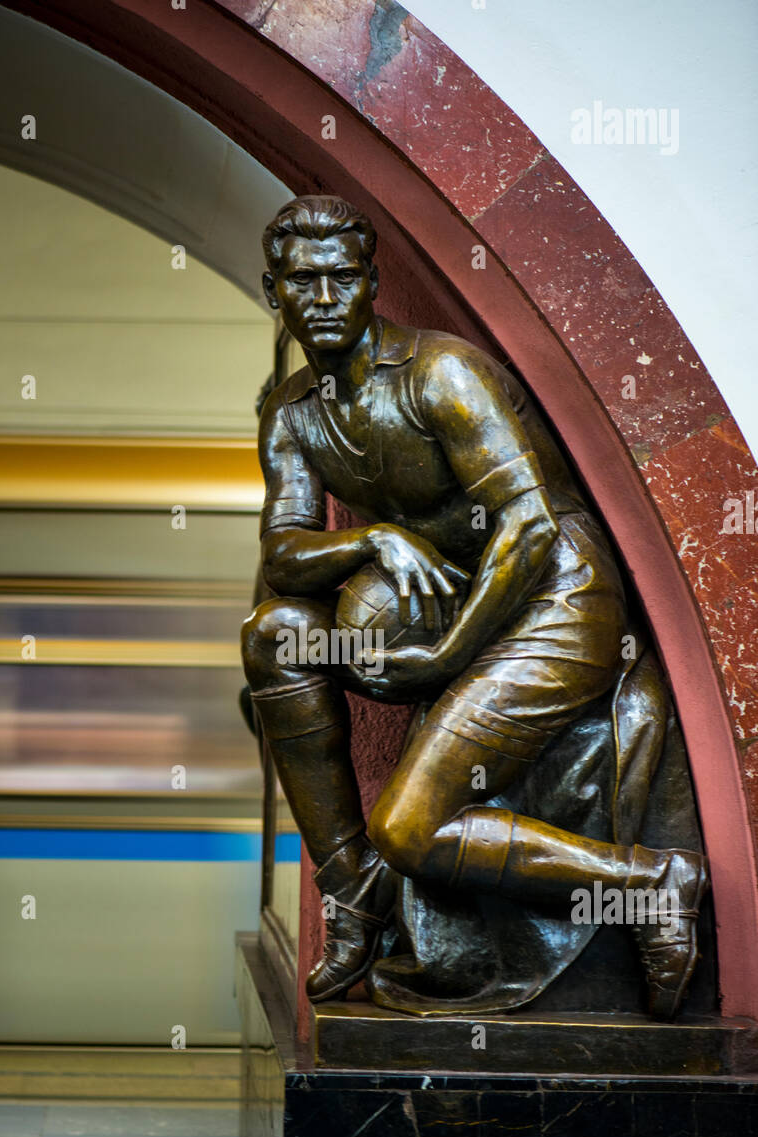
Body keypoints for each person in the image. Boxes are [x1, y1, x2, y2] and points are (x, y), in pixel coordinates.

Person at [242, 195, 708, 1020]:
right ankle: (351, 894)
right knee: (278, 636)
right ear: (273, 289)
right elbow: (282, 553)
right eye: (301, 282)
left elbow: (526, 525)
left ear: (371, 284)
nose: (322, 299)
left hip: (554, 597)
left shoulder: (438, 374)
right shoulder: (291, 413)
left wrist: (448, 654)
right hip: (456, 601)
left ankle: (648, 886)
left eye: (341, 279)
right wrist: (371, 540)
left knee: (411, 829)